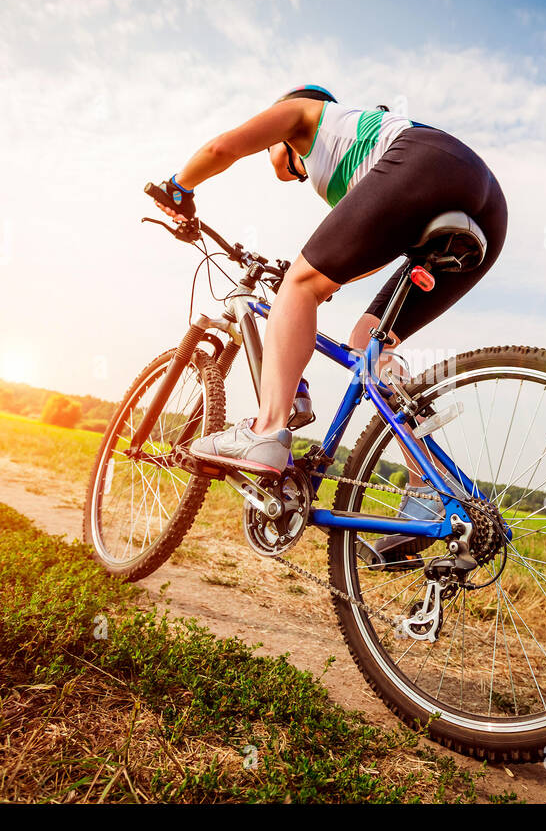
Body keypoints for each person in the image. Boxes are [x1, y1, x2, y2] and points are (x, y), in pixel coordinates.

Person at [152, 84, 507, 523]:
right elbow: (367, 251)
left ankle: (265, 431)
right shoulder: (354, 156)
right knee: (370, 341)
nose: (271, 158)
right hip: (487, 206)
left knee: (299, 287)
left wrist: (179, 187)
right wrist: (312, 283)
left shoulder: (302, 112)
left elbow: (223, 147)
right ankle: (426, 491)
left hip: (426, 162)